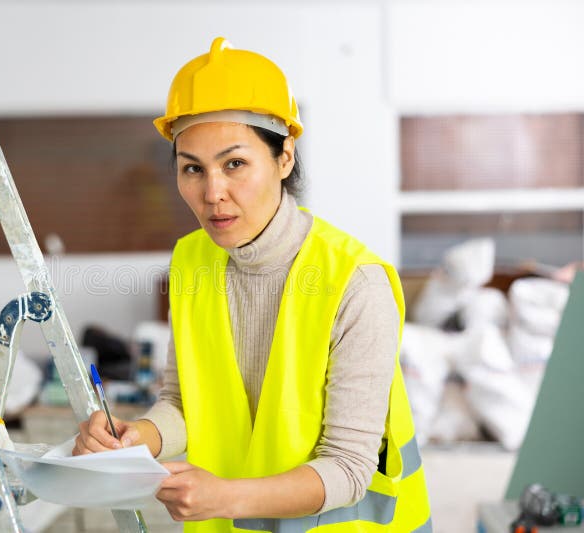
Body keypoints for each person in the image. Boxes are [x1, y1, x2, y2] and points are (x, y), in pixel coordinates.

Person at [73, 37, 432, 532]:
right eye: (192, 169)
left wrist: (224, 497)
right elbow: (183, 402)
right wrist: (141, 436)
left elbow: (349, 469)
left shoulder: (354, 282)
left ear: (285, 157)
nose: (212, 192)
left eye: (234, 163)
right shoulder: (191, 260)